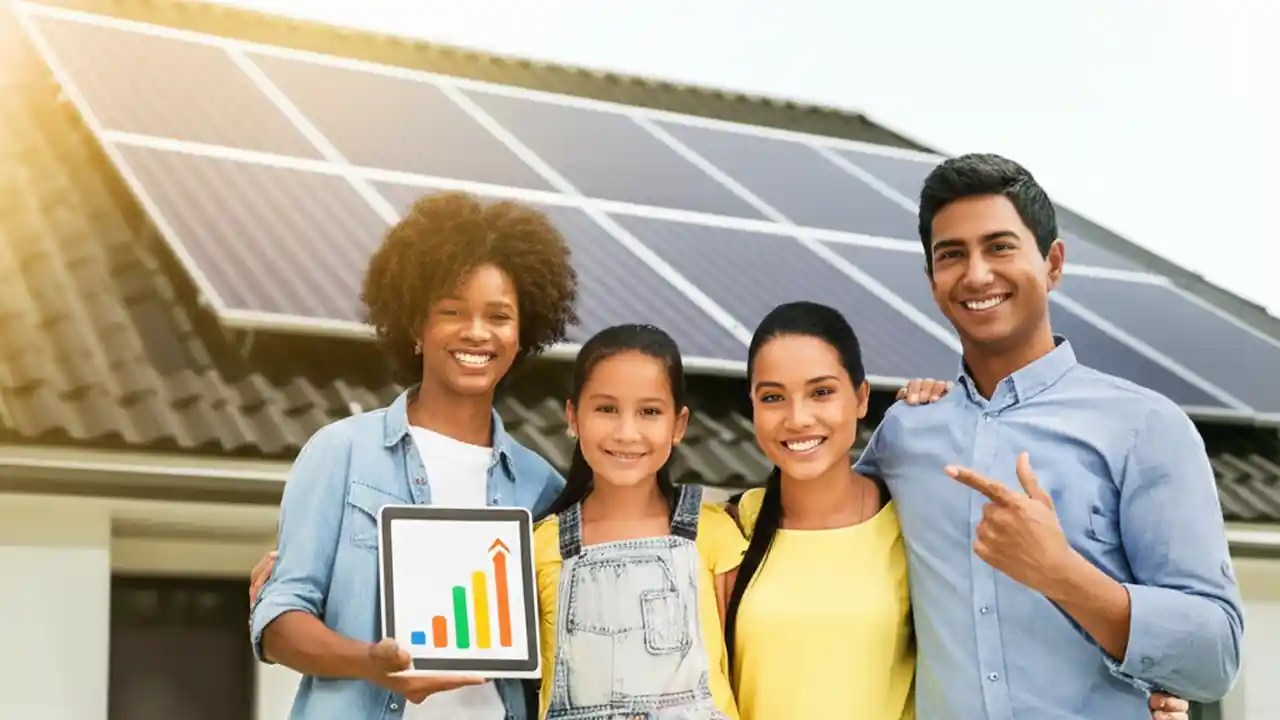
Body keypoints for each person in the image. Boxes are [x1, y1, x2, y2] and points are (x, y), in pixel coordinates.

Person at [855, 153, 1243, 718]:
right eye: (951, 255)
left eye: (1001, 246)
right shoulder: (906, 434)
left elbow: (1217, 657)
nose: (977, 273)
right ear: (932, 279)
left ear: (1053, 262)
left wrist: (1062, 574)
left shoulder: (1145, 428)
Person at [248, 191, 578, 720]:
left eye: (499, 316)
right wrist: (369, 662)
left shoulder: (542, 488)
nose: (476, 332)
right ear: (415, 327)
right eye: (452, 311)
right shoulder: (341, 453)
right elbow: (278, 624)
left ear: (523, 334)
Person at [531, 323, 746, 719]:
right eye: (606, 409)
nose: (627, 432)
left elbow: (744, 674)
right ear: (573, 417)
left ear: (679, 425)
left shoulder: (714, 533)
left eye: (649, 412)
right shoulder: (540, 545)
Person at [724, 301, 914, 720]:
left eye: (821, 392)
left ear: (862, 398)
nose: (798, 418)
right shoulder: (729, 530)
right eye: (773, 397)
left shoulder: (914, 525)